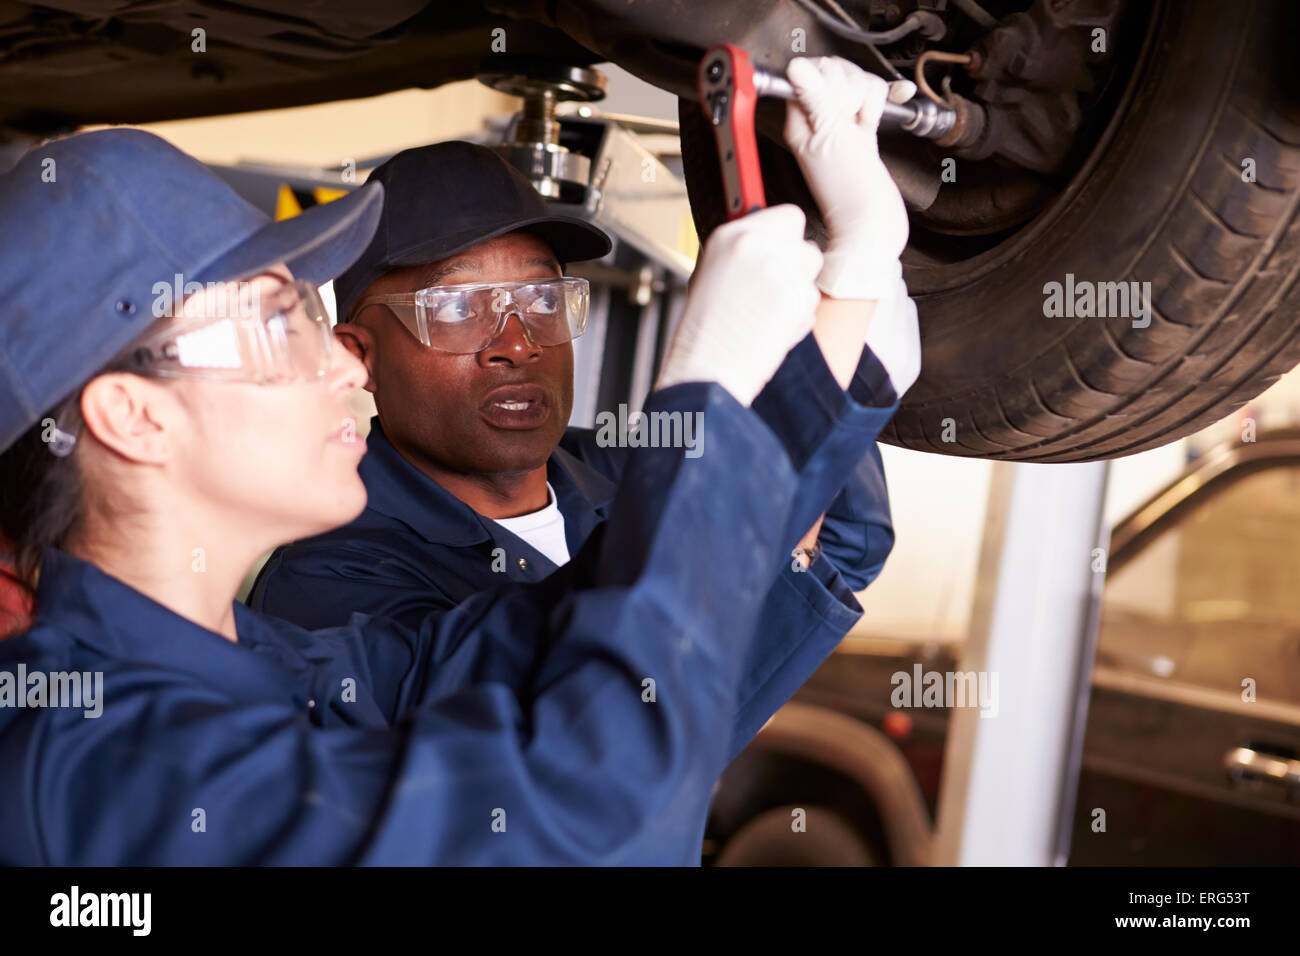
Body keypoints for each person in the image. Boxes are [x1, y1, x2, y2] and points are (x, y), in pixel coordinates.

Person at [0, 101, 892, 863]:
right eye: (278, 325)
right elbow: (573, 818)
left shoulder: (276, 663)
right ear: (134, 416)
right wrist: (706, 398)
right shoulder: (104, 765)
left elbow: (552, 633)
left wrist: (845, 290)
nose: (342, 371)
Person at [249, 58, 920, 755]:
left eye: (542, 299)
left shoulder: (614, 468)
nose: (516, 342)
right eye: (455, 308)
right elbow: (558, 724)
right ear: (360, 355)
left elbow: (841, 538)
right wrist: (832, 305)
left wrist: (844, 276)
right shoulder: (327, 580)